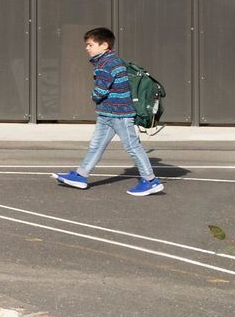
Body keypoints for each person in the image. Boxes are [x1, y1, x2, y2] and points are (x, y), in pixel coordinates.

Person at [55, 27, 162, 196]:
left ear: (104, 45)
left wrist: (93, 96)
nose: (87, 48)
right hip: (108, 113)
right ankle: (81, 176)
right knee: (96, 145)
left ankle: (150, 181)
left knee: (132, 147)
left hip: (120, 115)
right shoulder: (113, 61)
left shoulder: (105, 64)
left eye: (90, 45)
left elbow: (101, 90)